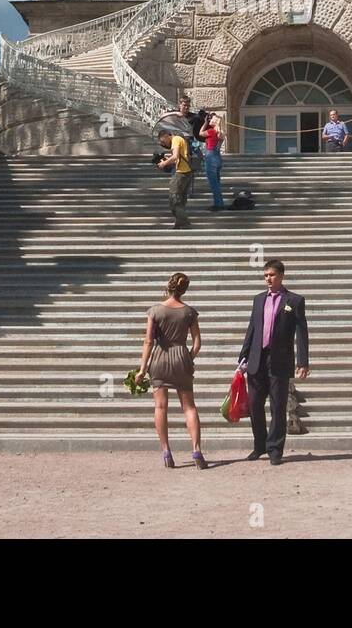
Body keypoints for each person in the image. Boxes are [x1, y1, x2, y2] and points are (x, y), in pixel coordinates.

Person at [237, 259, 309, 466]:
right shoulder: (258, 299)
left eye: (272, 275)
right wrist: (243, 356)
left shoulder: (294, 300)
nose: (268, 279)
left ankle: (275, 449)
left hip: (280, 360)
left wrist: (303, 361)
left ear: (281, 276)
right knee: (254, 404)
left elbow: (302, 333)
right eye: (265, 275)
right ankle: (259, 444)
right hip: (257, 359)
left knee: (278, 405)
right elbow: (252, 328)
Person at [134, 273, 206, 469]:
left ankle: (166, 452)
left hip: (160, 357)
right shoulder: (190, 312)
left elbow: (148, 341)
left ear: (168, 287)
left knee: (160, 407)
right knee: (189, 407)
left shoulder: (155, 311)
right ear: (184, 289)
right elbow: (197, 342)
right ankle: (196, 449)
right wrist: (188, 357)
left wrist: (142, 370)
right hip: (181, 356)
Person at [156, 127, 193, 228]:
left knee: (174, 199)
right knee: (180, 199)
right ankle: (179, 223)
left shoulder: (176, 139)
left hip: (181, 173)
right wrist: (169, 160)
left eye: (163, 141)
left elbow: (175, 156)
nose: (164, 144)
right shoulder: (180, 139)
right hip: (187, 172)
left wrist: (164, 163)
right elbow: (178, 157)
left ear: (167, 136)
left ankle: (184, 222)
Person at [202, 113, 226, 210]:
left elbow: (200, 133)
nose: (210, 120)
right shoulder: (221, 133)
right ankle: (220, 203)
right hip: (217, 156)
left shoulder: (211, 131)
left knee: (213, 183)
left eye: (211, 119)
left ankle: (218, 204)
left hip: (210, 156)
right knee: (217, 183)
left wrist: (204, 123)